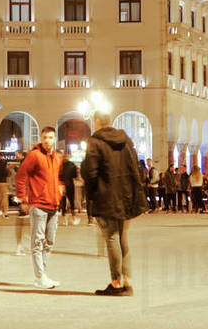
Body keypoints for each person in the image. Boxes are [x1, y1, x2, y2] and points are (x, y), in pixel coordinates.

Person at [81, 109, 145, 296]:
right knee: (123, 238)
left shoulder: (95, 142)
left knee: (111, 237)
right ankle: (127, 281)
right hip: (126, 196)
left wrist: (91, 195)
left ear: (97, 121)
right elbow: (136, 167)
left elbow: (91, 172)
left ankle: (116, 282)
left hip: (106, 196)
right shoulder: (126, 140)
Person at [14, 127, 64, 289]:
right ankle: (40, 276)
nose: (47, 140)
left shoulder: (57, 158)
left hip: (53, 205)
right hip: (38, 205)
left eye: (50, 137)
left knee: (49, 241)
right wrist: (22, 198)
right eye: (44, 137)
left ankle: (42, 275)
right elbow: (21, 176)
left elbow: (56, 179)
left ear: (55, 139)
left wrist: (60, 189)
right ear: (41, 139)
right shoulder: (34, 156)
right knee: (37, 241)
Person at [59, 155, 79, 225]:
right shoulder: (72, 165)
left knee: (63, 202)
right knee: (71, 201)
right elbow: (75, 176)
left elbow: (58, 175)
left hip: (62, 185)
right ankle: (73, 218)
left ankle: (64, 220)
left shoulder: (60, 165)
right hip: (70, 184)